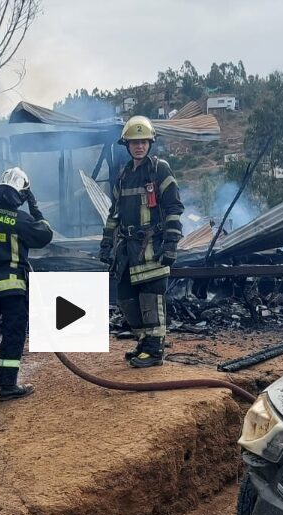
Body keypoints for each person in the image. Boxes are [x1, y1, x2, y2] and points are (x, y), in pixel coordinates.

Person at [98, 115, 184, 368]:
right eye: (135, 142)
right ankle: (144, 341)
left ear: (150, 143)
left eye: (144, 142)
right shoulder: (124, 175)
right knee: (125, 298)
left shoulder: (160, 169)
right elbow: (114, 214)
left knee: (151, 298)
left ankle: (155, 350)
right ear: (126, 145)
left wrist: (171, 244)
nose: (139, 146)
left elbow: (173, 208)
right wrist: (106, 243)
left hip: (152, 247)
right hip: (127, 250)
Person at [0, 167, 52, 401]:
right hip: (13, 288)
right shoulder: (21, 219)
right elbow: (45, 234)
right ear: (21, 195)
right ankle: (7, 385)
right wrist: (35, 207)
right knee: (12, 335)